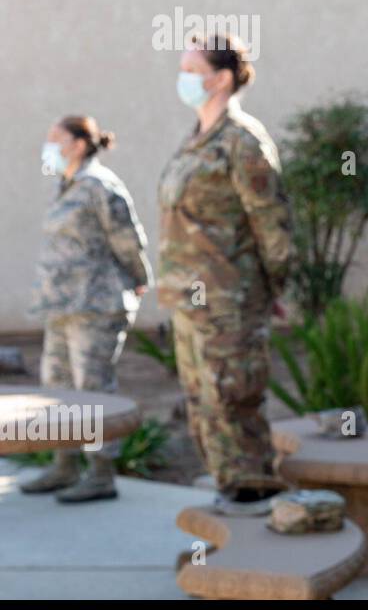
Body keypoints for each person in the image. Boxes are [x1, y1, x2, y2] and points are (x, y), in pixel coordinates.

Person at [157, 32, 293, 516]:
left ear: (222, 78)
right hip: (190, 300)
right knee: (202, 402)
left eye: (192, 69)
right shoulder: (195, 140)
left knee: (233, 399)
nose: (184, 78)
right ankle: (227, 482)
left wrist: (272, 287)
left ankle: (254, 496)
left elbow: (271, 222)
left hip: (229, 299)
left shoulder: (242, 140)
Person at [22, 116, 151, 502]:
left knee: (92, 391)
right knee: (57, 390)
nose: (48, 147)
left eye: (54, 139)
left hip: (96, 305)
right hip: (62, 307)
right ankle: (64, 465)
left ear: (79, 144)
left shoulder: (99, 185)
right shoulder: (65, 186)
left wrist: (139, 277)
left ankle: (101, 473)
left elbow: (128, 238)